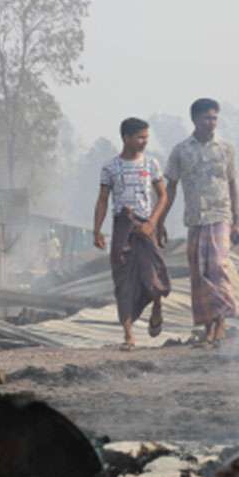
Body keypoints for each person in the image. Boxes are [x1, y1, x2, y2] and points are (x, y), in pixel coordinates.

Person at [156, 97, 239, 346]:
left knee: (217, 267)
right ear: (194, 120)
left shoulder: (225, 149)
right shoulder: (181, 150)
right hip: (194, 219)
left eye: (214, 118)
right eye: (206, 117)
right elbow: (169, 187)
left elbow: (233, 183)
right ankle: (208, 327)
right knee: (199, 273)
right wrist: (159, 219)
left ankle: (221, 323)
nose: (211, 122)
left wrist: (237, 220)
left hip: (220, 216)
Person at [95, 117, 171, 350]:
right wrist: (97, 230)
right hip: (122, 227)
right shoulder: (110, 167)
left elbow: (163, 196)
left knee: (153, 273)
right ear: (126, 138)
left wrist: (153, 223)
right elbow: (103, 200)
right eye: (139, 137)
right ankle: (128, 335)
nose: (144, 142)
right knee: (123, 280)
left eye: (146, 138)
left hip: (146, 226)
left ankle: (156, 305)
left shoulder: (151, 164)